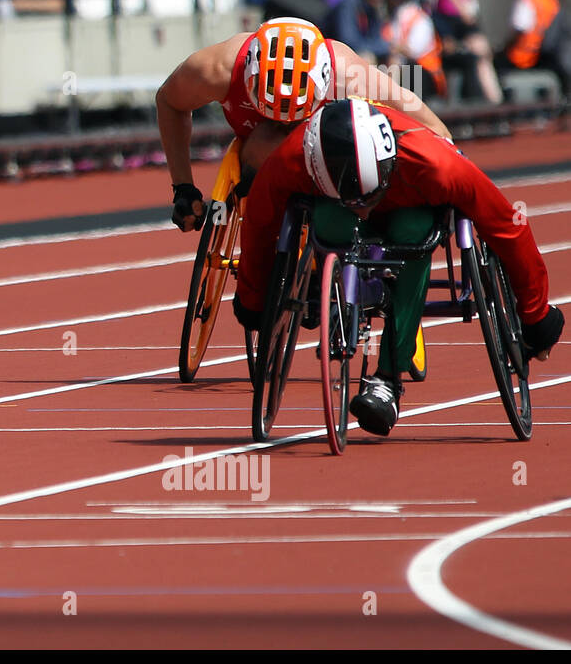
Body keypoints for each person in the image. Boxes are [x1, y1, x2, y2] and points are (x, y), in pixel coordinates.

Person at [233, 97, 563, 434]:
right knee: (329, 226)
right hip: (334, 203)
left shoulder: (436, 165)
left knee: (413, 232)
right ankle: (347, 294)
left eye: (367, 201)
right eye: (354, 202)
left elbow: (508, 227)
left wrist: (536, 317)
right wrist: (254, 301)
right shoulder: (290, 161)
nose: (363, 210)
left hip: (409, 199)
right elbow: (259, 226)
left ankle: (388, 379)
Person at [156, 16, 451, 233]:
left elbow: (421, 116)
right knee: (262, 150)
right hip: (258, 147)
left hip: (325, 142)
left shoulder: (346, 73)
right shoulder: (216, 68)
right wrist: (183, 186)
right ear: (249, 77)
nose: (284, 122)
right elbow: (170, 102)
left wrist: (453, 172)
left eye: (292, 113)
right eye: (273, 109)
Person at [498, 0, 569, 100]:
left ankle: (498, 102)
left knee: (497, 64)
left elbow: (519, 28)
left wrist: (504, 48)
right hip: (548, 53)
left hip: (527, 55)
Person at [326, 0, 392, 64]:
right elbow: (349, 42)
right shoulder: (349, 6)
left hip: (361, 53)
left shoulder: (377, 9)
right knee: (366, 58)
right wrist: (386, 47)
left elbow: (375, 38)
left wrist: (387, 49)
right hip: (333, 55)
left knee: (395, 60)